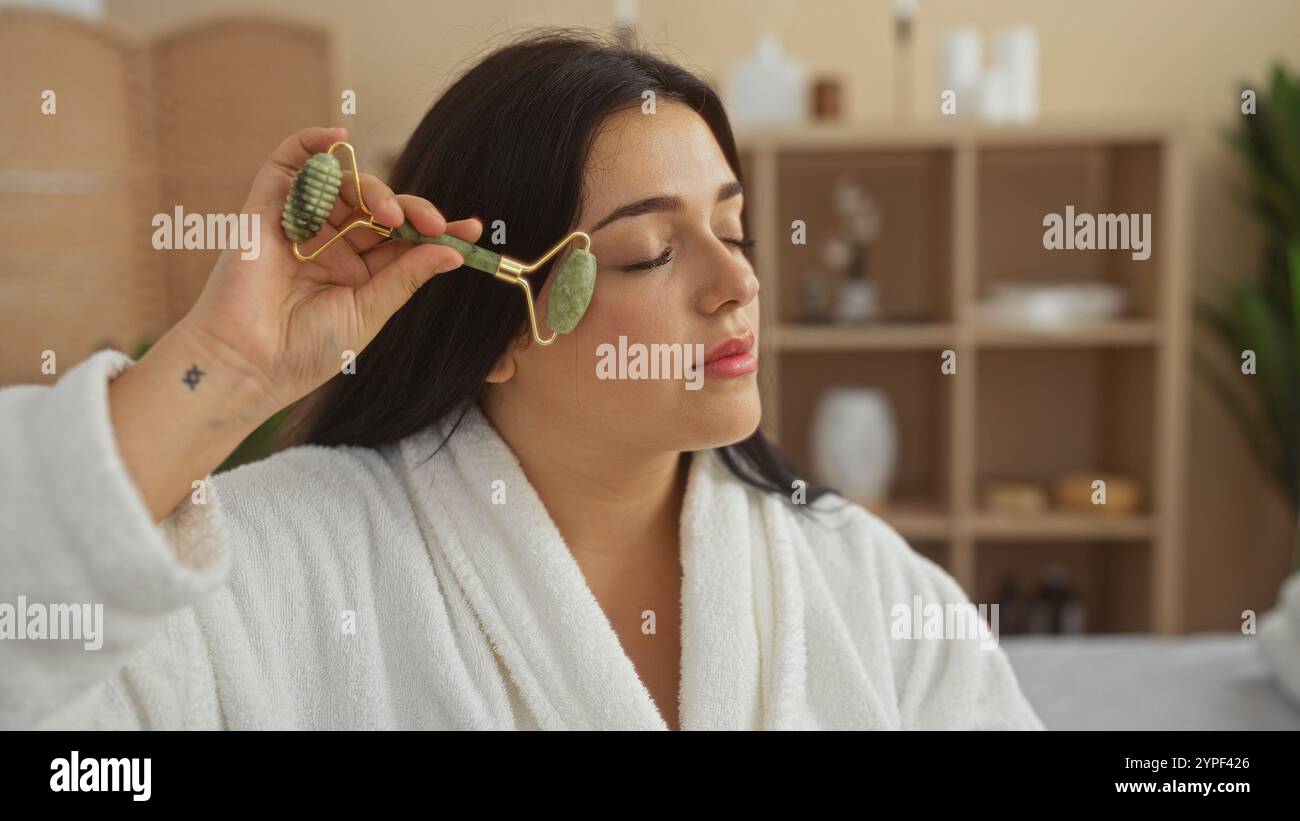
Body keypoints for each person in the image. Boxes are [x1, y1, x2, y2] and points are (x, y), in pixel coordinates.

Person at [0, 30, 1043, 731]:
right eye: (646, 253)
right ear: (496, 324)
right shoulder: (278, 571)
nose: (738, 283)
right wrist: (222, 370)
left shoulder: (860, 582)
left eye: (734, 228)